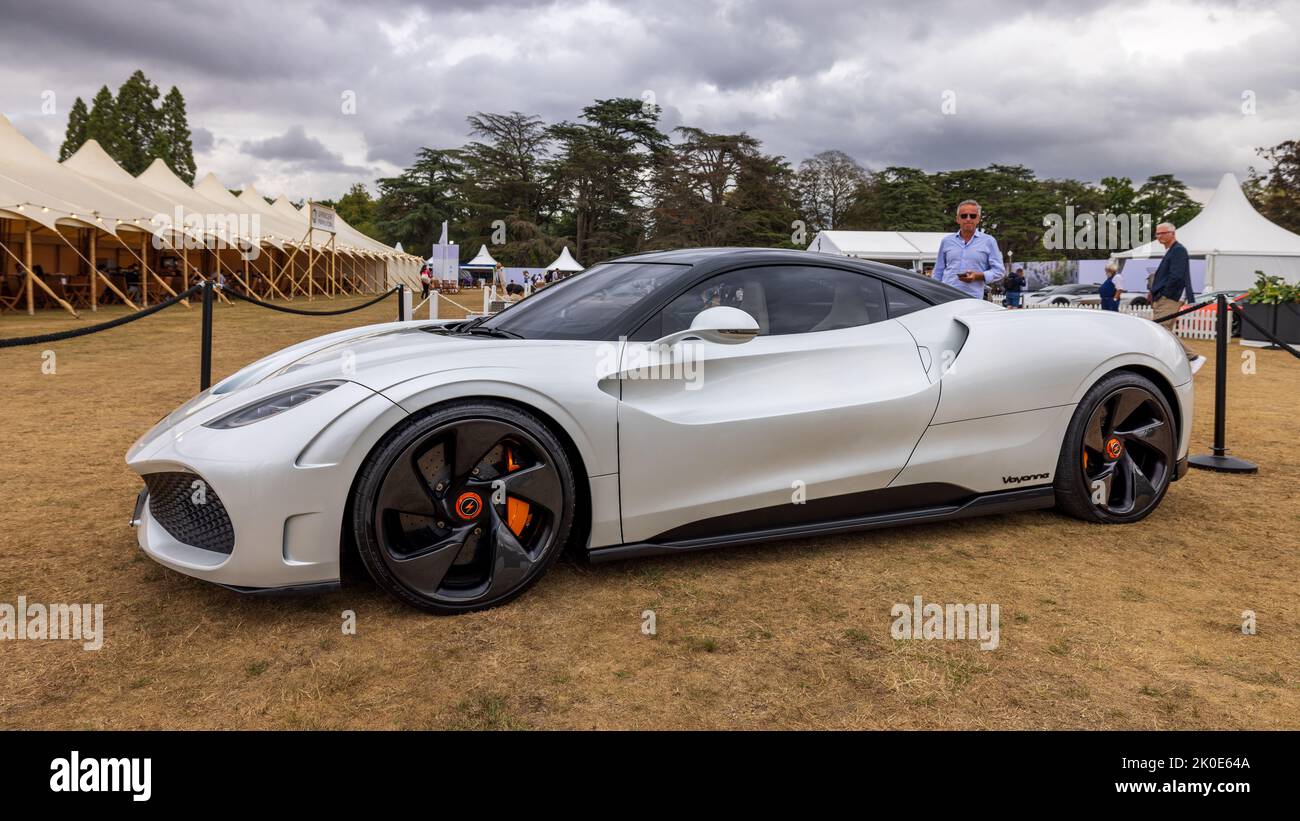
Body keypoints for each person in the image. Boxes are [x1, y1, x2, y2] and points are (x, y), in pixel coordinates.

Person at [1147, 222, 1202, 367]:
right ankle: (1171, 360)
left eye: (1162, 233)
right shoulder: (1173, 250)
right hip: (1167, 296)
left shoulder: (1178, 250)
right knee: (1163, 330)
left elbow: (1176, 276)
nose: (1159, 236)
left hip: (1170, 297)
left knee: (1161, 329)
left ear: (1172, 233)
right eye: (1157, 233)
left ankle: (1192, 357)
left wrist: (1165, 294)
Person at [933, 199, 1005, 299]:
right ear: (957, 219)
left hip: (973, 298)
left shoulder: (989, 241)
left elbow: (999, 271)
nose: (968, 219)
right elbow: (938, 271)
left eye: (972, 216)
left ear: (978, 219)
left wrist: (978, 276)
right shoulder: (947, 241)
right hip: (947, 297)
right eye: (964, 216)